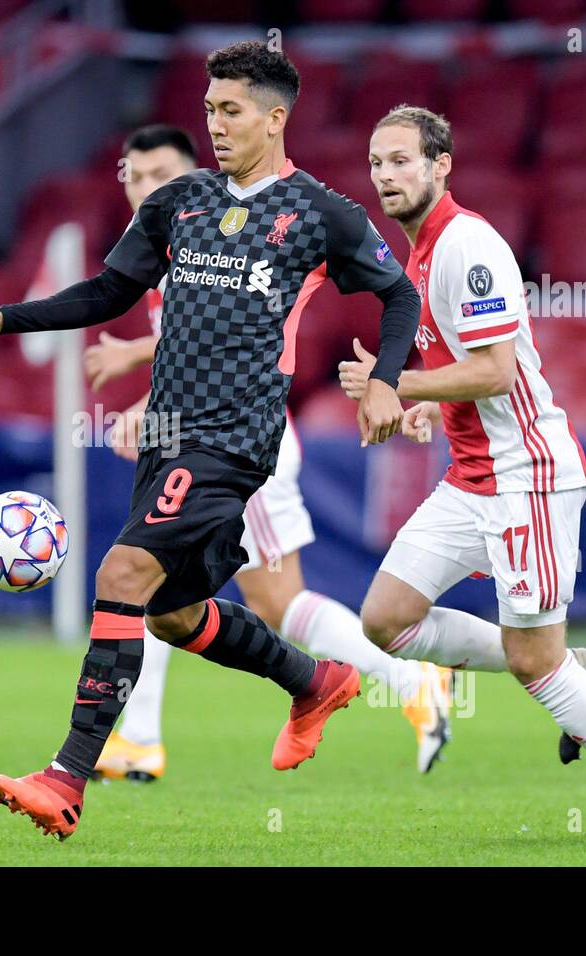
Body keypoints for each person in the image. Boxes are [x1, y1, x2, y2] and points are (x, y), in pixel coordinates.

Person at [0, 40, 420, 840]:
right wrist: (2, 317)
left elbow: (398, 296)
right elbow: (106, 292)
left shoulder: (322, 214)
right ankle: (316, 680)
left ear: (275, 117)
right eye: (209, 109)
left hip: (234, 439)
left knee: (122, 570)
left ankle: (67, 777)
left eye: (231, 110)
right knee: (170, 613)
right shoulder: (179, 202)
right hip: (169, 433)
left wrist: (386, 382)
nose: (216, 124)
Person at [85, 123, 453, 783]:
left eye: (160, 173)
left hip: (238, 444)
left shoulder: (210, 233)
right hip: (219, 436)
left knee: (222, 593)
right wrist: (136, 360)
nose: (146, 187)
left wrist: (148, 406)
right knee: (166, 585)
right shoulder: (175, 238)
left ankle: (408, 679)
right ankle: (139, 738)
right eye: (133, 176)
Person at [340, 105, 586, 837]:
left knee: (533, 665)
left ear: (441, 165)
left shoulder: (467, 244)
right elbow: (461, 367)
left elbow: (492, 370)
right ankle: (568, 659)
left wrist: (399, 387)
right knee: (386, 620)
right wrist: (425, 405)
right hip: (470, 475)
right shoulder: (417, 252)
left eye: (402, 161)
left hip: (527, 478)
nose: (387, 176)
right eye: (377, 163)